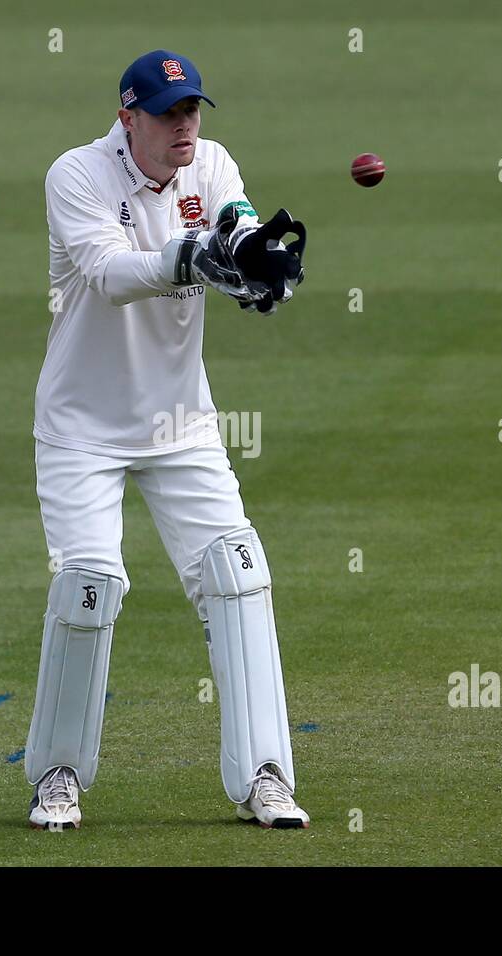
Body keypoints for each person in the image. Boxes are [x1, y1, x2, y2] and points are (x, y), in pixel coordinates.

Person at [25, 49, 310, 830]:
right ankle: (57, 775)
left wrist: (257, 259)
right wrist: (196, 259)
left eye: (191, 111)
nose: (184, 125)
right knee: (89, 588)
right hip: (82, 427)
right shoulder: (77, 176)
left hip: (180, 424)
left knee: (239, 574)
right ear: (128, 118)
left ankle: (264, 777)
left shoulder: (210, 163)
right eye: (167, 113)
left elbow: (237, 222)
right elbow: (112, 274)